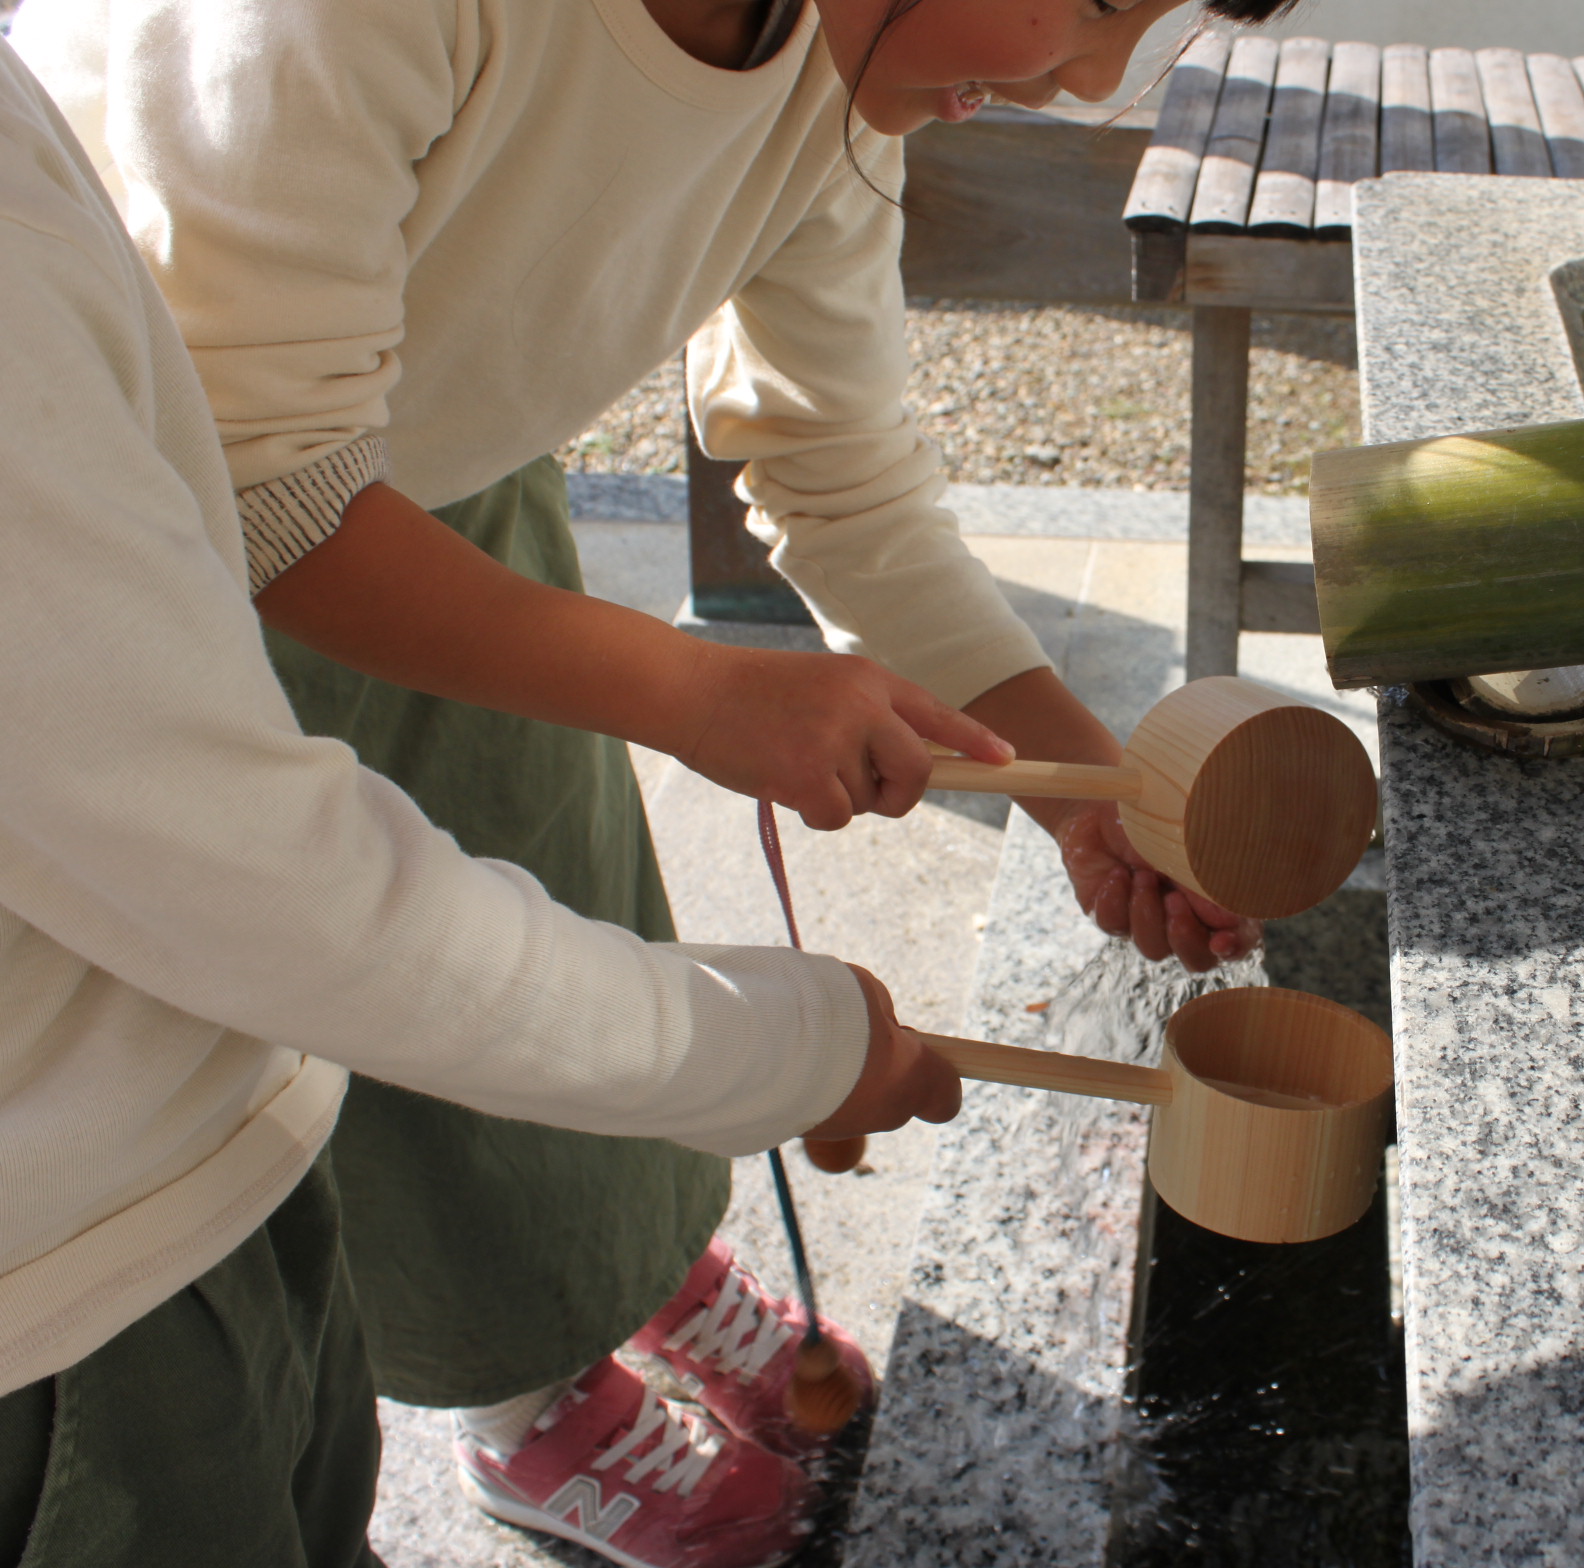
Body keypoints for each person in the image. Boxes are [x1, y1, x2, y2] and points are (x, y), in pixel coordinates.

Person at [12, 0, 1297, 1559]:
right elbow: (276, 488)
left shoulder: (846, 59)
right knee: (407, 1039)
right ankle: (527, 1393)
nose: (1094, 81)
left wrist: (1085, 784)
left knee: (561, 887)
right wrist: (700, 720)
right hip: (164, 563)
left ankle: (627, 1268)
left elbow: (846, 477)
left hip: (436, 492)